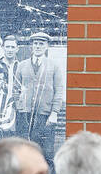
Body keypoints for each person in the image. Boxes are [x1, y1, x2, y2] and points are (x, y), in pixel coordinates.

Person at [14, 33, 64, 163]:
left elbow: (59, 90)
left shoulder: (54, 66)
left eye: (41, 44)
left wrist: (54, 113)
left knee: (46, 152)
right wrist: (20, 107)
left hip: (45, 115)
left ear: (46, 46)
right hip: (25, 115)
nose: (38, 46)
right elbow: (15, 89)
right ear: (31, 46)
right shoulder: (22, 65)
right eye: (35, 43)